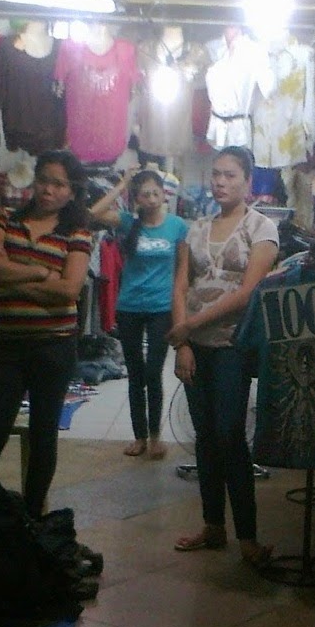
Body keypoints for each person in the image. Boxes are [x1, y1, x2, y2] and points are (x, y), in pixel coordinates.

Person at [0, 150, 92, 518]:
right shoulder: (5, 219)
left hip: (55, 347)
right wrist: (38, 274)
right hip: (10, 346)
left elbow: (69, 290)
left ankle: (32, 518)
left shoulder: (76, 232)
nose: (48, 190)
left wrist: (12, 272)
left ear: (71, 191)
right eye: (43, 181)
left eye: (58, 184)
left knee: (42, 435)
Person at [168, 146, 279, 566]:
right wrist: (182, 344)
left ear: (248, 181)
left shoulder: (262, 229)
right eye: (216, 175)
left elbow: (247, 293)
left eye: (231, 175)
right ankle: (213, 526)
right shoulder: (193, 229)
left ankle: (248, 537)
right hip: (194, 347)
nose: (221, 182)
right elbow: (180, 286)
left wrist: (188, 328)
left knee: (230, 434)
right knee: (205, 438)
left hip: (233, 345)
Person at [91, 168, 190, 459]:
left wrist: (180, 307)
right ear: (136, 198)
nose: (150, 198)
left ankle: (157, 437)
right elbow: (93, 213)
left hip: (161, 309)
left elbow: (183, 270)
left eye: (155, 193)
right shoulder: (127, 223)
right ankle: (139, 437)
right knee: (135, 374)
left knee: (153, 372)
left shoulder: (177, 226)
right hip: (130, 307)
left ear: (163, 195)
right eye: (144, 193)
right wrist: (122, 183)